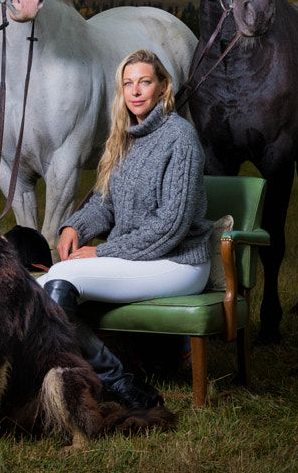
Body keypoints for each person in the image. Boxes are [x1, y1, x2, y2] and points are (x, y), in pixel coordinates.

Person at [37, 49, 213, 409]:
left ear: (163, 86)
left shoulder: (180, 137)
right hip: (138, 258)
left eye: (144, 82)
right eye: (128, 83)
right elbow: (107, 204)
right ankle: (52, 385)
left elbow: (171, 227)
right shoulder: (126, 138)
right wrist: (75, 226)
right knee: (39, 289)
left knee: (59, 284)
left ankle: (121, 386)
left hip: (179, 262)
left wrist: (101, 251)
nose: (135, 91)